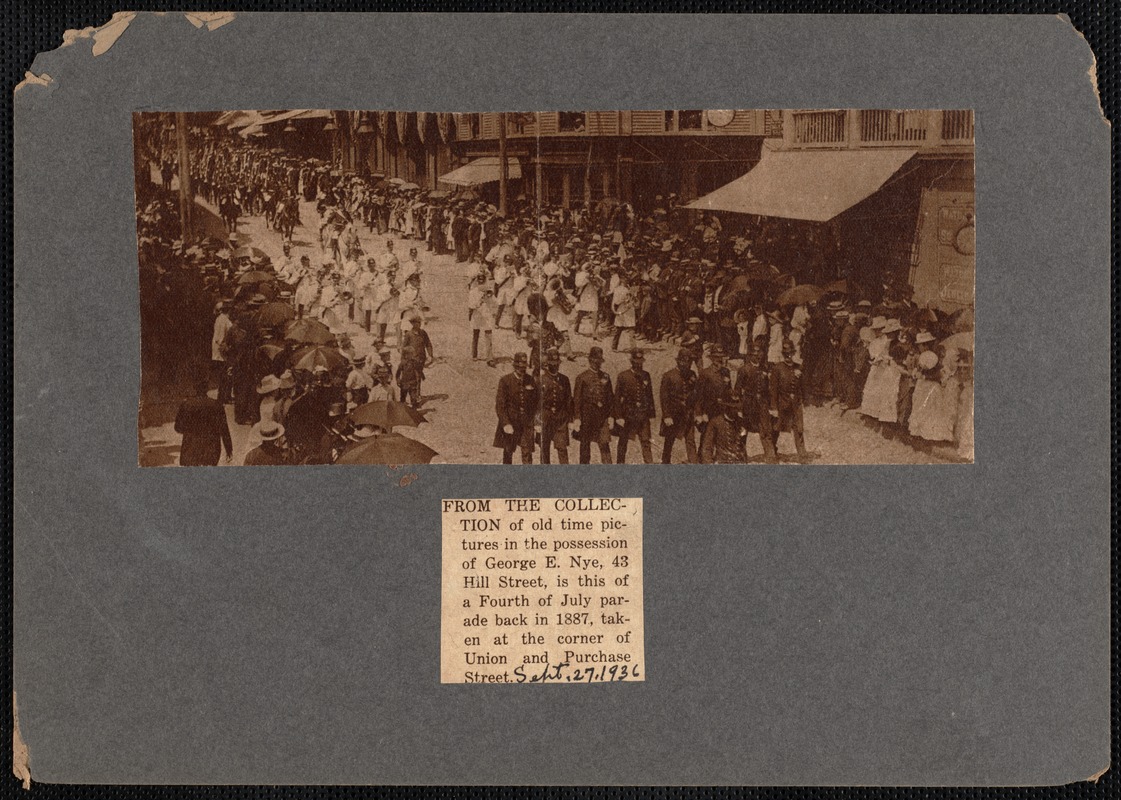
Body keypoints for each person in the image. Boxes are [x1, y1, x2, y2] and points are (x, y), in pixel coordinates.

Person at [174, 372, 233, 466]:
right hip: (211, 450)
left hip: (191, 450)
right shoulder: (217, 405)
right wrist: (229, 449)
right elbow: (224, 429)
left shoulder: (186, 405)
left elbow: (178, 428)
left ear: (194, 388)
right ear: (207, 388)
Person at [736, 343, 778, 463]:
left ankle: (770, 455)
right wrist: (739, 407)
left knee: (766, 428)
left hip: (762, 404)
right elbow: (737, 389)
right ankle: (741, 455)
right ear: (750, 355)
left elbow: (768, 389)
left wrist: (771, 405)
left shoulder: (764, 368)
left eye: (759, 354)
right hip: (748, 403)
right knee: (744, 429)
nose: (757, 357)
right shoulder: (744, 369)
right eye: (754, 355)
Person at [572, 346, 614, 464]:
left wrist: (611, 415)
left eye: (599, 361)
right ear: (590, 360)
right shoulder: (582, 377)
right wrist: (577, 418)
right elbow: (577, 400)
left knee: (604, 444)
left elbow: (610, 398)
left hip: (602, 416)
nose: (597, 363)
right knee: (585, 446)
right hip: (587, 416)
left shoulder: (605, 376)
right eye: (595, 360)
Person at [613, 348, 655, 464]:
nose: (638, 365)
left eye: (640, 363)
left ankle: (650, 465)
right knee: (623, 442)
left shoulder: (646, 375)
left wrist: (651, 414)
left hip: (643, 415)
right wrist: (618, 416)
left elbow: (649, 395)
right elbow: (617, 398)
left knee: (645, 441)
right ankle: (620, 465)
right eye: (636, 363)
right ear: (631, 362)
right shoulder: (623, 376)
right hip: (628, 415)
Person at [493, 352, 536, 464]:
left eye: (524, 368)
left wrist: (535, 421)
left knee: (527, 452)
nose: (522, 370)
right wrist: (506, 423)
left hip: (526, 423)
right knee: (508, 452)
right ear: (515, 367)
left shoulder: (530, 380)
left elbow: (535, 403)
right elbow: (500, 405)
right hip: (511, 422)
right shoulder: (505, 381)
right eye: (519, 368)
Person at [770, 339, 810, 461]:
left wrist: (806, 401)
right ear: (783, 355)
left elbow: (804, 386)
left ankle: (802, 454)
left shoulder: (798, 367)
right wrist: (774, 407)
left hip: (796, 403)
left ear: (793, 354)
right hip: (782, 403)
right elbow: (773, 389)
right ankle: (771, 450)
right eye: (786, 354)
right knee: (776, 428)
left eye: (790, 354)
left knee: (799, 428)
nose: (788, 356)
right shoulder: (777, 368)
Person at [659, 348, 698, 464]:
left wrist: (697, 412)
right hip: (674, 414)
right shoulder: (668, 376)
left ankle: (694, 464)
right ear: (679, 362)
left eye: (690, 362)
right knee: (669, 440)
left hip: (688, 414)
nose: (688, 365)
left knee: (690, 440)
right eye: (686, 362)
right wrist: (667, 416)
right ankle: (665, 463)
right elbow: (664, 398)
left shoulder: (692, 374)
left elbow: (696, 394)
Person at [538, 348, 573, 465]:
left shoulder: (564, 379)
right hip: (545, 418)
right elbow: (536, 403)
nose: (555, 366)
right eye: (552, 364)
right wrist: (537, 422)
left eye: (557, 364)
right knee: (544, 448)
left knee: (562, 448)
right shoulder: (541, 379)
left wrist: (570, 420)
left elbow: (569, 400)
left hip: (561, 419)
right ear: (547, 364)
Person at [398, 313, 434, 408]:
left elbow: (428, 344)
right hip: (411, 360)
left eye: (419, 322)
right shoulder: (408, 335)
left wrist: (430, 355)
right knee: (413, 378)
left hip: (421, 359)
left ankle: (416, 395)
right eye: (416, 323)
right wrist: (403, 360)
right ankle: (411, 397)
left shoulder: (423, 333)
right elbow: (404, 348)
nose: (418, 324)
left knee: (418, 377)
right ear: (412, 324)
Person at [700, 396, 746, 464]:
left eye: (737, 408)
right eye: (732, 408)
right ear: (726, 408)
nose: (735, 411)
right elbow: (707, 447)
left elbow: (742, 447)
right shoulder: (716, 422)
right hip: (722, 463)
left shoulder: (740, 422)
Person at [210, 301, 232, 403]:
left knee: (225, 375)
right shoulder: (223, 320)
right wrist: (226, 349)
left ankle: (225, 395)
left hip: (220, 351)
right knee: (225, 375)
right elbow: (220, 338)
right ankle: (224, 397)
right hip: (222, 353)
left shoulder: (221, 319)